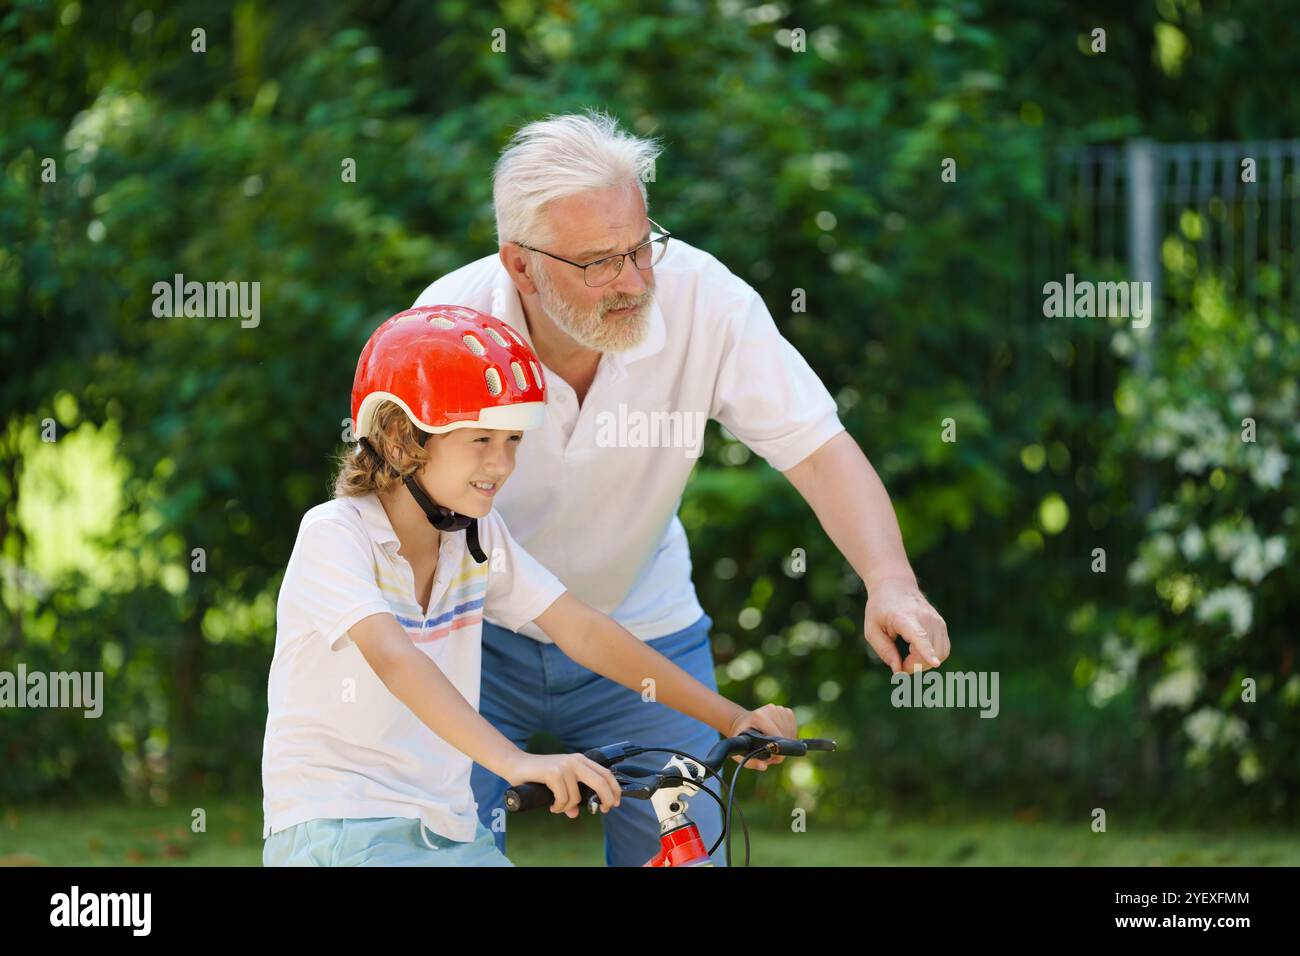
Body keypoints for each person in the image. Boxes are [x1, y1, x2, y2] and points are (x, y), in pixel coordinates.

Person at [411, 109, 952, 866]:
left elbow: (818, 447)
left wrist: (891, 581)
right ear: (520, 264)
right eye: (599, 262)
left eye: (641, 246)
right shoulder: (441, 331)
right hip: (464, 637)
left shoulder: (706, 300)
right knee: (429, 854)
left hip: (642, 630)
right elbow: (390, 528)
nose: (633, 281)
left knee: (687, 859)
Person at [261, 304, 796, 866]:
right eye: (481, 440)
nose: (502, 463)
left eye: (513, 439)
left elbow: (580, 630)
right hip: (342, 826)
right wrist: (516, 762)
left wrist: (731, 718)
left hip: (448, 830)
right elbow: (396, 660)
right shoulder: (335, 534)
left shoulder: (476, 536)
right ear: (400, 440)